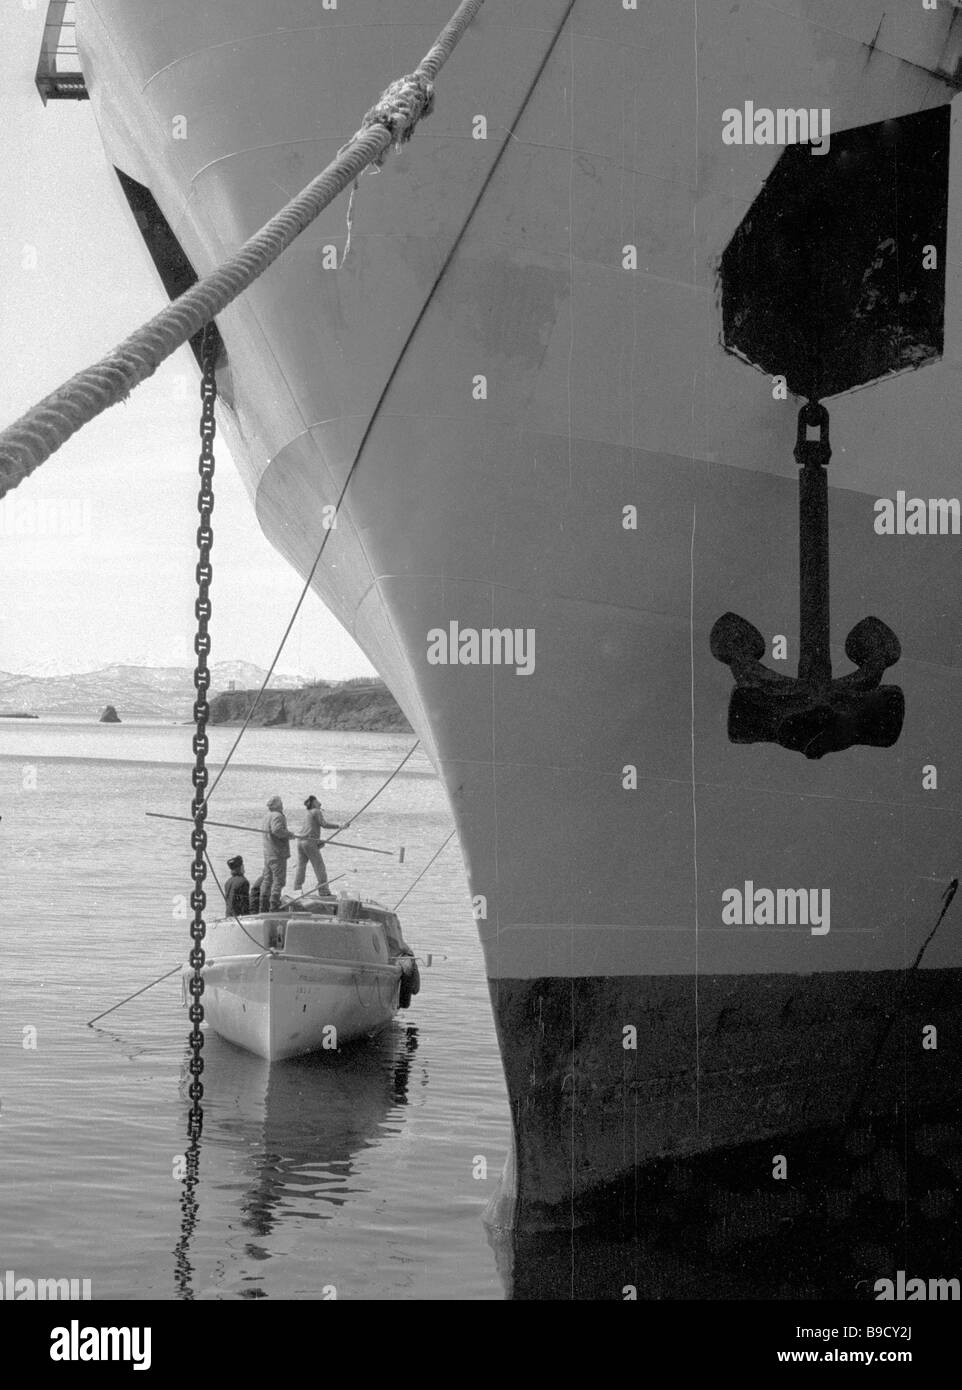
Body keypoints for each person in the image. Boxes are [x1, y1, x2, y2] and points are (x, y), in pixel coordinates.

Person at [293, 794, 347, 896]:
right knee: (319, 867)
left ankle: (297, 889)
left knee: (301, 866)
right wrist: (339, 826)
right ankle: (323, 891)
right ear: (314, 803)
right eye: (317, 800)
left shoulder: (308, 813)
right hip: (309, 842)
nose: (319, 802)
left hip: (301, 841)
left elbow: (309, 829)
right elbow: (324, 824)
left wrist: (318, 843)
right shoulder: (316, 811)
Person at [260, 795, 294, 911]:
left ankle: (263, 905)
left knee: (267, 880)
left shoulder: (266, 816)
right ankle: (274, 906)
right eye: (281, 802)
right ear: (277, 805)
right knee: (278, 881)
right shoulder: (277, 816)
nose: (283, 804)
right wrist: (288, 834)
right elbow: (276, 830)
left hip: (268, 853)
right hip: (277, 853)